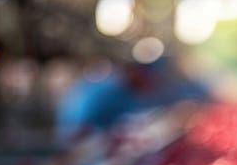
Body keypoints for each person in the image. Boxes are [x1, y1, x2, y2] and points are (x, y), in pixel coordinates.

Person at [56, 56, 207, 141]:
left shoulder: (131, 93)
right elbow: (82, 125)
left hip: (96, 141)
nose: (149, 83)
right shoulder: (106, 89)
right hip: (77, 139)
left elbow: (137, 116)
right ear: (135, 72)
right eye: (147, 77)